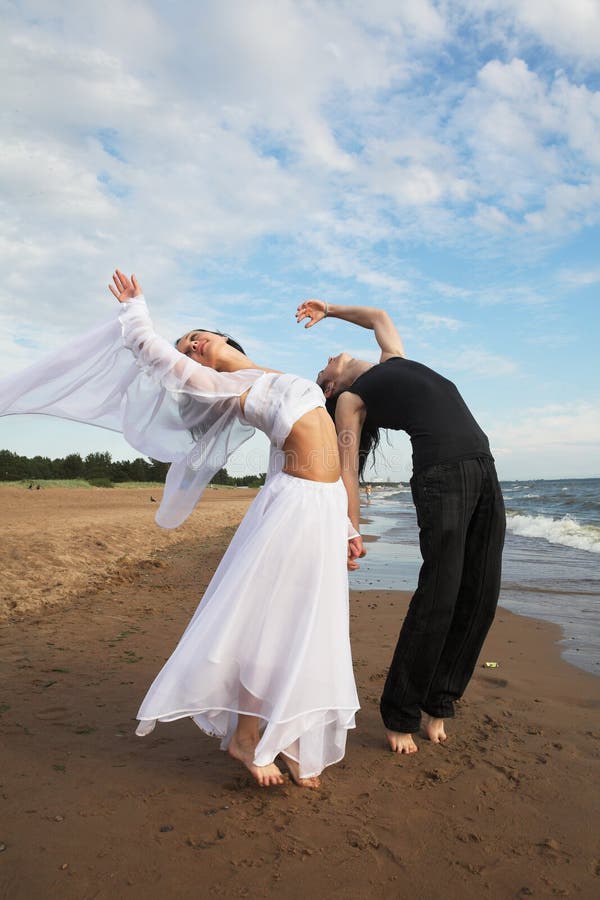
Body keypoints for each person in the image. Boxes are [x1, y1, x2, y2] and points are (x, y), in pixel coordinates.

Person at [0, 273, 360, 789]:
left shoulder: (265, 373)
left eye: (197, 335)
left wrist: (345, 523)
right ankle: (246, 736)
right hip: (296, 510)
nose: (194, 343)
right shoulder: (223, 388)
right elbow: (156, 357)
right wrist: (136, 312)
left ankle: (288, 736)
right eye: (189, 347)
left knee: (312, 625)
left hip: (320, 507)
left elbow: (293, 455)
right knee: (274, 624)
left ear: (226, 339)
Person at [296, 298, 505, 755]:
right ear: (329, 391)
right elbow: (347, 470)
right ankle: (400, 713)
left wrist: (327, 309)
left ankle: (439, 702)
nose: (327, 362)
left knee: (482, 594)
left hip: (483, 468)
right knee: (440, 595)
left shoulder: (394, 361)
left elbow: (378, 318)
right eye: (321, 374)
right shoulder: (351, 401)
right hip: (441, 477)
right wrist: (351, 528)